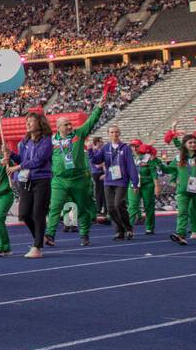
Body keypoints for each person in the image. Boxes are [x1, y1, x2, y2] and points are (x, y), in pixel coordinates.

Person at [43, 91, 108, 248]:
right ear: (58, 127)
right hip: (60, 180)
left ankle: (84, 234)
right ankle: (50, 234)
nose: (70, 126)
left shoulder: (78, 134)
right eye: (66, 124)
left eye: (70, 124)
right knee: (55, 207)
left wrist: (99, 108)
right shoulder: (51, 140)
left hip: (79, 179)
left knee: (83, 208)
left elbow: (91, 121)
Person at [10, 110, 53, 259]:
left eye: (31, 121)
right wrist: (9, 154)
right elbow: (21, 159)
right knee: (24, 213)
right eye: (26, 121)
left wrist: (18, 167)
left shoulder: (47, 140)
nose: (27, 123)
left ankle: (37, 246)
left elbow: (39, 160)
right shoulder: (24, 141)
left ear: (39, 123)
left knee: (38, 213)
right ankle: (40, 237)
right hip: (26, 181)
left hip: (42, 179)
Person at [162, 127, 196, 245]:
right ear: (184, 144)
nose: (193, 144)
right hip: (183, 190)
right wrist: (160, 164)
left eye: (195, 142)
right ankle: (180, 234)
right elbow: (170, 169)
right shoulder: (178, 158)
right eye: (190, 142)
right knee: (182, 212)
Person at [97, 125, 139, 240]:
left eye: (116, 132)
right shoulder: (105, 148)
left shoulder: (125, 148)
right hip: (109, 181)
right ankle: (120, 230)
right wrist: (92, 150)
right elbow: (97, 160)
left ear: (119, 133)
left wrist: (135, 183)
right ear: (108, 134)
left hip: (121, 181)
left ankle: (128, 228)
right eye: (111, 132)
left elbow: (131, 166)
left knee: (118, 204)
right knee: (110, 208)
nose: (114, 134)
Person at [127, 140, 162, 234]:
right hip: (133, 185)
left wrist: (156, 186)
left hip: (147, 184)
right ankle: (129, 228)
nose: (134, 148)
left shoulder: (148, 158)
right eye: (132, 146)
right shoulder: (129, 157)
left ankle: (150, 227)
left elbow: (154, 173)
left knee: (149, 206)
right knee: (132, 206)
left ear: (141, 147)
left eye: (136, 146)